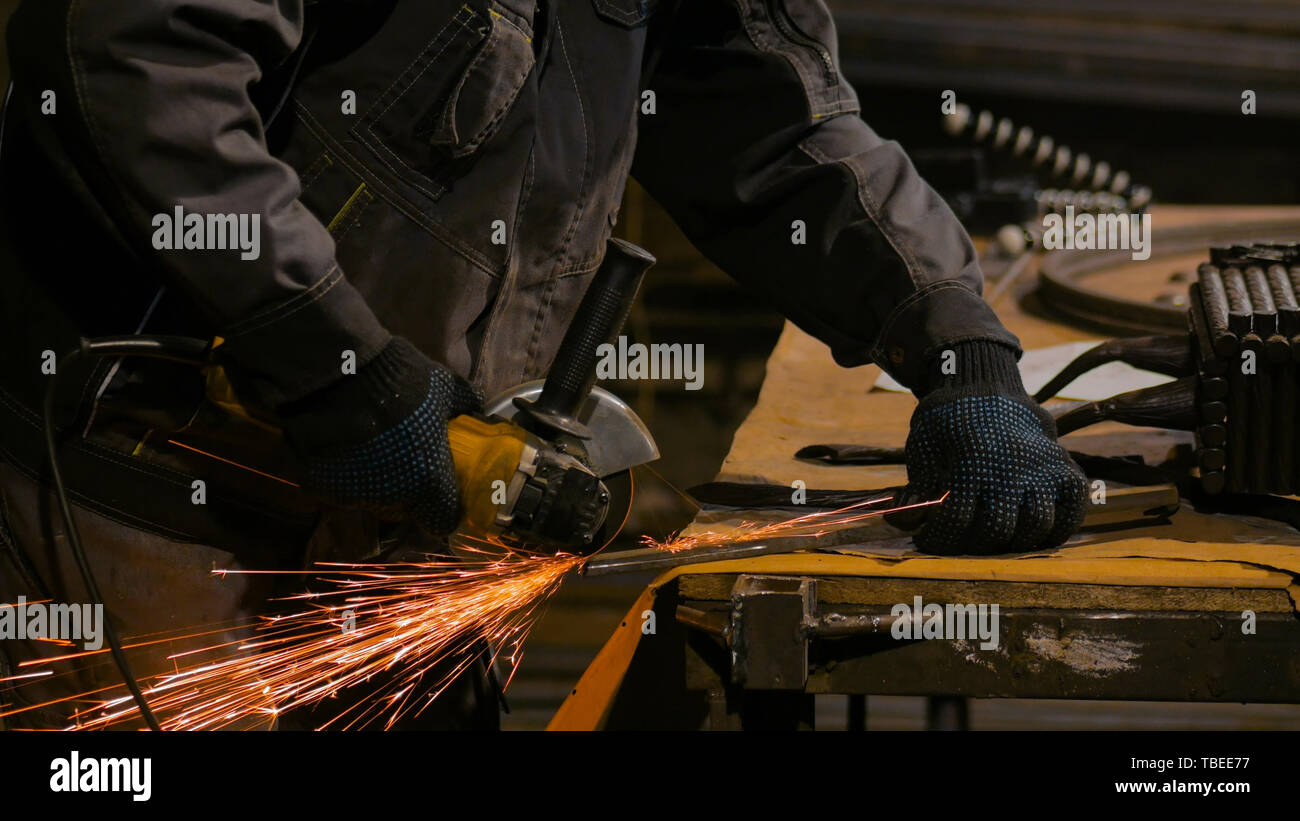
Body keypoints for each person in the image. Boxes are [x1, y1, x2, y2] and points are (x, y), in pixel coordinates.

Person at [0, 0, 1085, 729]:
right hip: (157, 492)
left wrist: (957, 346)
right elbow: (142, 73)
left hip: (417, 518)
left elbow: (770, 111)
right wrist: (338, 366)